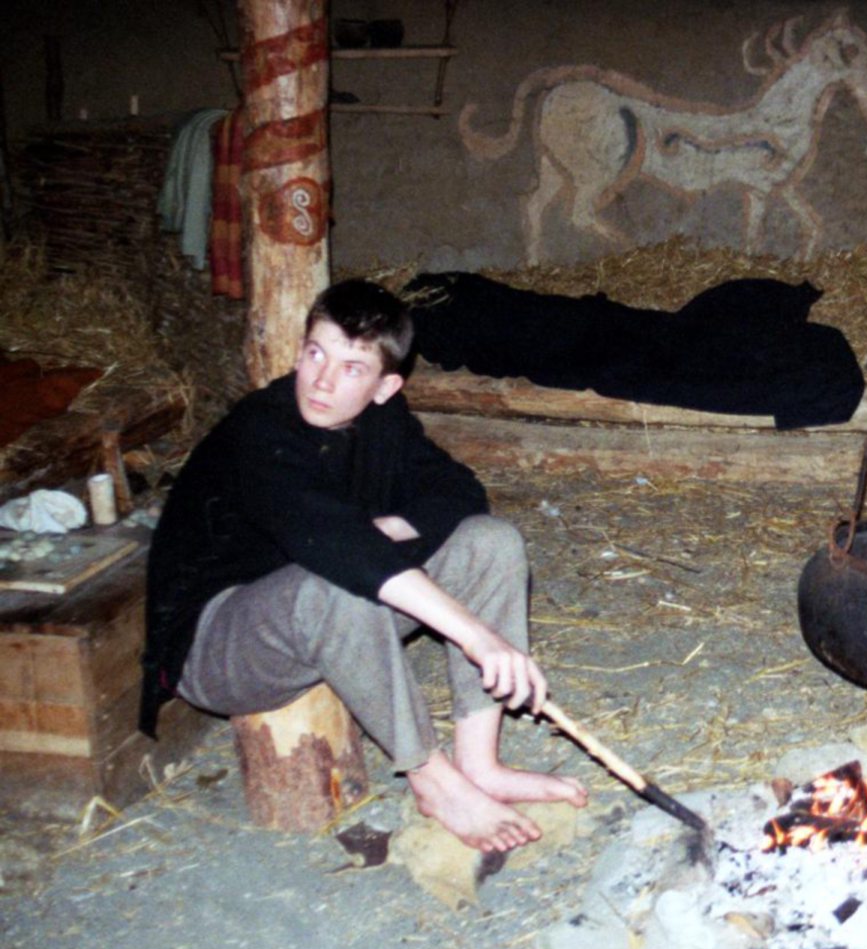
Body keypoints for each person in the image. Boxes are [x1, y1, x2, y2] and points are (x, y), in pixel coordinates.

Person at [139, 278, 586, 851]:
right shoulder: (260, 431)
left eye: (352, 368)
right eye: (316, 354)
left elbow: (458, 490)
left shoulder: (384, 420)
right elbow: (343, 555)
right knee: (339, 584)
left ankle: (481, 763)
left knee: (491, 542)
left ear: (385, 386)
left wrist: (392, 528)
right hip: (217, 641)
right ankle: (432, 778)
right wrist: (477, 635)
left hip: (311, 606)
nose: (323, 381)